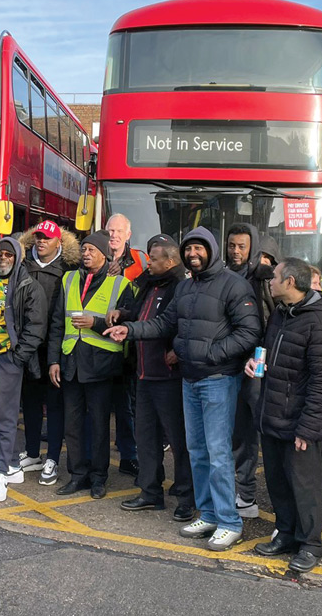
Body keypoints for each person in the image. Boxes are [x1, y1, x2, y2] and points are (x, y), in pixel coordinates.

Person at [107, 227, 261, 552]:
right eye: (189, 248)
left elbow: (249, 332)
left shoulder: (234, 285)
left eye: (199, 248)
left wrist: (211, 354)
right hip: (190, 380)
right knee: (198, 450)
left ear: (211, 250)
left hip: (219, 379)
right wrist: (130, 329)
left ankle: (229, 521)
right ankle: (207, 513)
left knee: (219, 453)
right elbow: (164, 324)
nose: (193, 254)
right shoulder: (187, 287)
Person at [246, 257, 322, 573]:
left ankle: (310, 544)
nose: (270, 280)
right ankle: (285, 534)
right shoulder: (281, 314)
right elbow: (270, 353)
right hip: (272, 414)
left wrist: (309, 428)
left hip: (299, 421)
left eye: (275, 277)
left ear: (290, 283)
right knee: (278, 482)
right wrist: (255, 363)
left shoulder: (319, 321)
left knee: (304, 486)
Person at [113, 236, 194, 522]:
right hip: (145, 374)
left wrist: (177, 350)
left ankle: (186, 496)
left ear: (170, 262)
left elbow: (183, 324)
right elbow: (140, 316)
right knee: (145, 437)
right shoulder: (150, 285)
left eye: (154, 258)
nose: (148, 262)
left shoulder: (180, 288)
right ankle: (150, 492)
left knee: (178, 440)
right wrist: (123, 315)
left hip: (169, 377)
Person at [48, 232, 132, 499]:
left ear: (105, 254)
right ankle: (77, 475)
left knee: (98, 425)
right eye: (84, 249)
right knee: (72, 425)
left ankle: (98, 477)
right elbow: (57, 324)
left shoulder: (121, 284)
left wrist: (94, 323)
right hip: (71, 361)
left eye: (92, 250)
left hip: (101, 365)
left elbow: (127, 323)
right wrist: (53, 360)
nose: (85, 254)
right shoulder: (69, 278)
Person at [0, 236, 45, 502]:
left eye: (9, 255)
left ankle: (1, 474)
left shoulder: (28, 286)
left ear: (17, 258)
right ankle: (13, 464)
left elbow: (35, 327)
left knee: (5, 418)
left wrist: (18, 358)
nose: (3, 258)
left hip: (9, 359)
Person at [17, 220, 79, 485]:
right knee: (29, 403)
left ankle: (52, 457)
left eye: (47, 238)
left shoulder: (69, 268)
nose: (41, 242)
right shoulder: (21, 264)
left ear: (59, 242)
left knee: (55, 405)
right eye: (38, 237)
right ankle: (32, 453)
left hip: (54, 347)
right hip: (27, 347)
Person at [228, 225, 276, 520]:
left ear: (253, 248)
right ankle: (242, 493)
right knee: (237, 434)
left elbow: (277, 322)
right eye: (232, 245)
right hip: (230, 365)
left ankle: (253, 496)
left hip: (259, 369)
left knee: (260, 435)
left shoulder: (266, 279)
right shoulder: (222, 275)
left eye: (241, 246)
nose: (235, 251)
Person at [104, 214, 145, 475]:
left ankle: (128, 454)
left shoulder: (141, 260)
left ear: (128, 235)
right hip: (96, 340)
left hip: (128, 344)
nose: (114, 235)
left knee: (125, 405)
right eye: (110, 230)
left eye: (119, 231)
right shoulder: (94, 255)